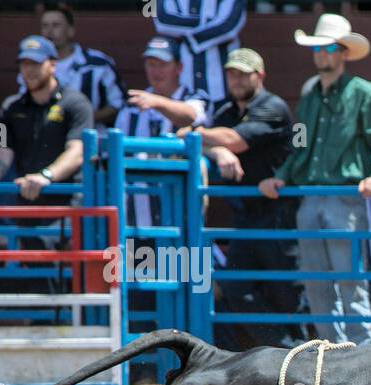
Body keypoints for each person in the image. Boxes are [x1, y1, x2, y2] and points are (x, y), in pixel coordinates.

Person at [260, 13, 371, 346]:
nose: (321, 54)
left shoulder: (363, 93)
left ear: (342, 52)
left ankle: (362, 359)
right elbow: (300, 147)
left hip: (344, 199)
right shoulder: (309, 96)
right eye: (317, 47)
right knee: (315, 285)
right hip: (310, 198)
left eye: (327, 47)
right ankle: (332, 358)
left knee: (350, 282)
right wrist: (280, 177)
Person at [190, 48, 298, 351]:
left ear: (260, 76)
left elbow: (232, 140)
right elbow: (214, 140)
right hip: (247, 217)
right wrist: (217, 150)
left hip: (281, 217)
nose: (235, 79)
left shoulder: (273, 107)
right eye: (231, 73)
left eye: (243, 73)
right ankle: (286, 351)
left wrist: (211, 140)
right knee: (236, 287)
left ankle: (302, 355)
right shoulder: (227, 112)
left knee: (287, 292)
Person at [0, 36, 91, 208]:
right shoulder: (9, 106)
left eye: (36, 63)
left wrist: (46, 176)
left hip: (68, 202)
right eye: (24, 64)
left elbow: (77, 152)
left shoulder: (77, 103)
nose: (29, 70)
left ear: (53, 65)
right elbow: (1, 148)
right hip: (26, 201)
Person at [115, 37, 209, 234]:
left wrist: (156, 101)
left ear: (179, 68)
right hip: (135, 210)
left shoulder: (194, 97)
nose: (156, 71)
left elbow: (191, 116)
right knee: (136, 261)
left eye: (163, 64)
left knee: (180, 261)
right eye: (151, 64)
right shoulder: (130, 107)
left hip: (179, 208)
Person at [34, 2, 125, 129]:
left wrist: (81, 118)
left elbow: (118, 105)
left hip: (93, 142)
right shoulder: (32, 65)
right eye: (45, 26)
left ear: (71, 30)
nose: (49, 32)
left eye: (56, 25)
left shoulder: (97, 64)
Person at [153, 0, 247, 113]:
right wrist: (210, 22)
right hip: (184, 84)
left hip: (221, 86)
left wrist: (188, 38)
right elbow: (163, 21)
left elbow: (228, 25)